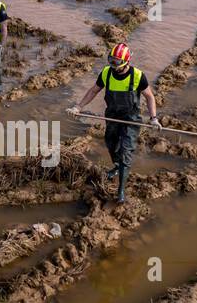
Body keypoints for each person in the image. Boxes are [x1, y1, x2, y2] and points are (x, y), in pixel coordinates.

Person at [68, 42, 161, 204]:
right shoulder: (106, 73)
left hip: (131, 120)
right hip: (112, 117)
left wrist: (153, 118)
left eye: (116, 62)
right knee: (111, 144)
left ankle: (121, 190)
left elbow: (149, 97)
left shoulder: (138, 76)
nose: (112, 64)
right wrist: (78, 107)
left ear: (126, 62)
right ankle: (118, 167)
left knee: (125, 152)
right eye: (110, 60)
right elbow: (93, 91)